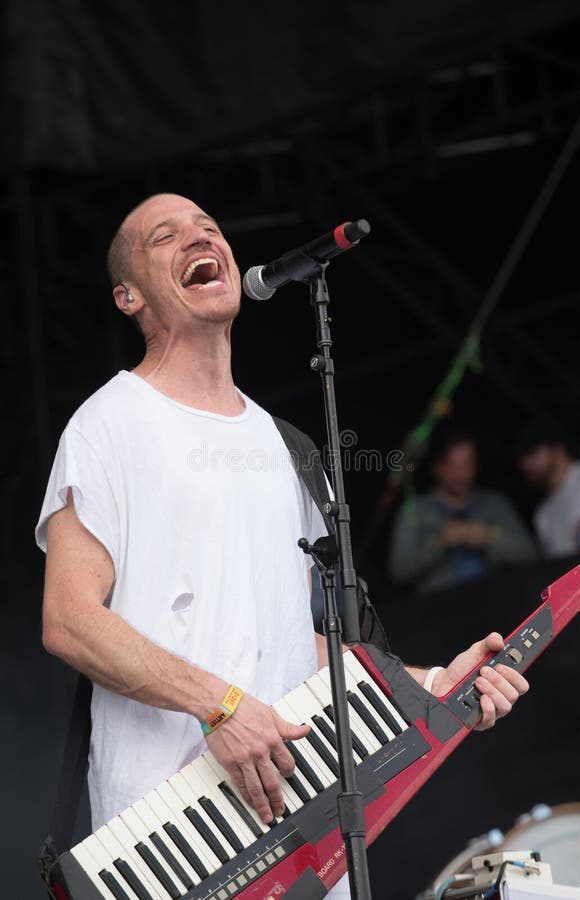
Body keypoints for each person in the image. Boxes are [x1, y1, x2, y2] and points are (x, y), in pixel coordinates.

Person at [36, 194, 529, 898]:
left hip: (299, 813)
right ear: (128, 295)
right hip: (169, 832)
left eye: (210, 228)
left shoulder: (285, 446)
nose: (199, 239)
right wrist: (221, 706)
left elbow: (301, 642)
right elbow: (70, 620)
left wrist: (430, 685)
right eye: (165, 237)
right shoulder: (107, 425)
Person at [388, 425, 536, 593]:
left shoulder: (494, 503)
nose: (463, 474)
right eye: (454, 466)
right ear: (437, 467)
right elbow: (399, 571)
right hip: (440, 603)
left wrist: (489, 537)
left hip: (496, 596)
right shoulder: (415, 511)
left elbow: (530, 553)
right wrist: (439, 544)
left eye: (468, 464)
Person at [517, 421, 580, 557]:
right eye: (522, 457)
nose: (525, 464)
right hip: (578, 569)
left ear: (558, 451)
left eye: (531, 453)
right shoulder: (543, 514)